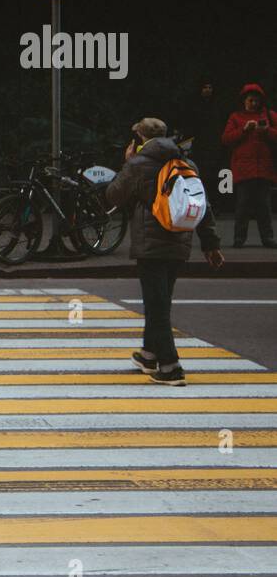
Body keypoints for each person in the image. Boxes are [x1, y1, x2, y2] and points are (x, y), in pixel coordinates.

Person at [106, 117, 225, 385]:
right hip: (179, 243)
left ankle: (171, 366)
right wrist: (211, 244)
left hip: (151, 246)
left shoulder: (137, 164)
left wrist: (126, 162)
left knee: (157, 306)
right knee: (159, 302)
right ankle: (149, 355)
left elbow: (113, 196)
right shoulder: (186, 162)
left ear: (139, 139)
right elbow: (203, 205)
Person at [221, 83, 277, 248]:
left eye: (257, 100)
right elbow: (226, 139)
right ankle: (239, 238)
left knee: (264, 207)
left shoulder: (270, 115)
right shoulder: (235, 117)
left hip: (264, 168)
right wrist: (244, 130)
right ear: (244, 101)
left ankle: (267, 238)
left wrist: (267, 131)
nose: (254, 104)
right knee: (242, 206)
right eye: (251, 100)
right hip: (244, 169)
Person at [179, 78, 228, 211]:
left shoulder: (217, 106)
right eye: (205, 87)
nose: (207, 90)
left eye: (210, 87)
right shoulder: (194, 107)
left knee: (213, 176)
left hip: (214, 146)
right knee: (201, 176)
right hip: (200, 146)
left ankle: (214, 205)